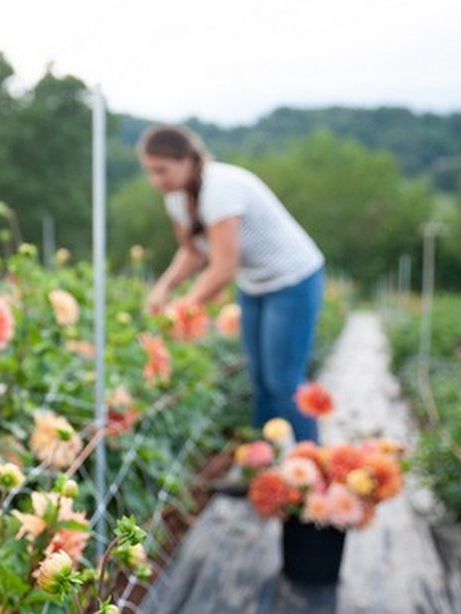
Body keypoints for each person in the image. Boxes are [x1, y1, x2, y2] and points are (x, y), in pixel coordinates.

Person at [138, 124, 326, 444]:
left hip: (292, 280)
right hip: (254, 284)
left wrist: (183, 309)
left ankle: (312, 467)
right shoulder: (177, 198)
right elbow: (193, 252)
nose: (156, 181)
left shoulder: (220, 188)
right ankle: (262, 466)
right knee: (261, 380)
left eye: (162, 170)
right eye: (150, 172)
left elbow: (223, 268)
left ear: (187, 159)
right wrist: (164, 287)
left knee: (284, 382)